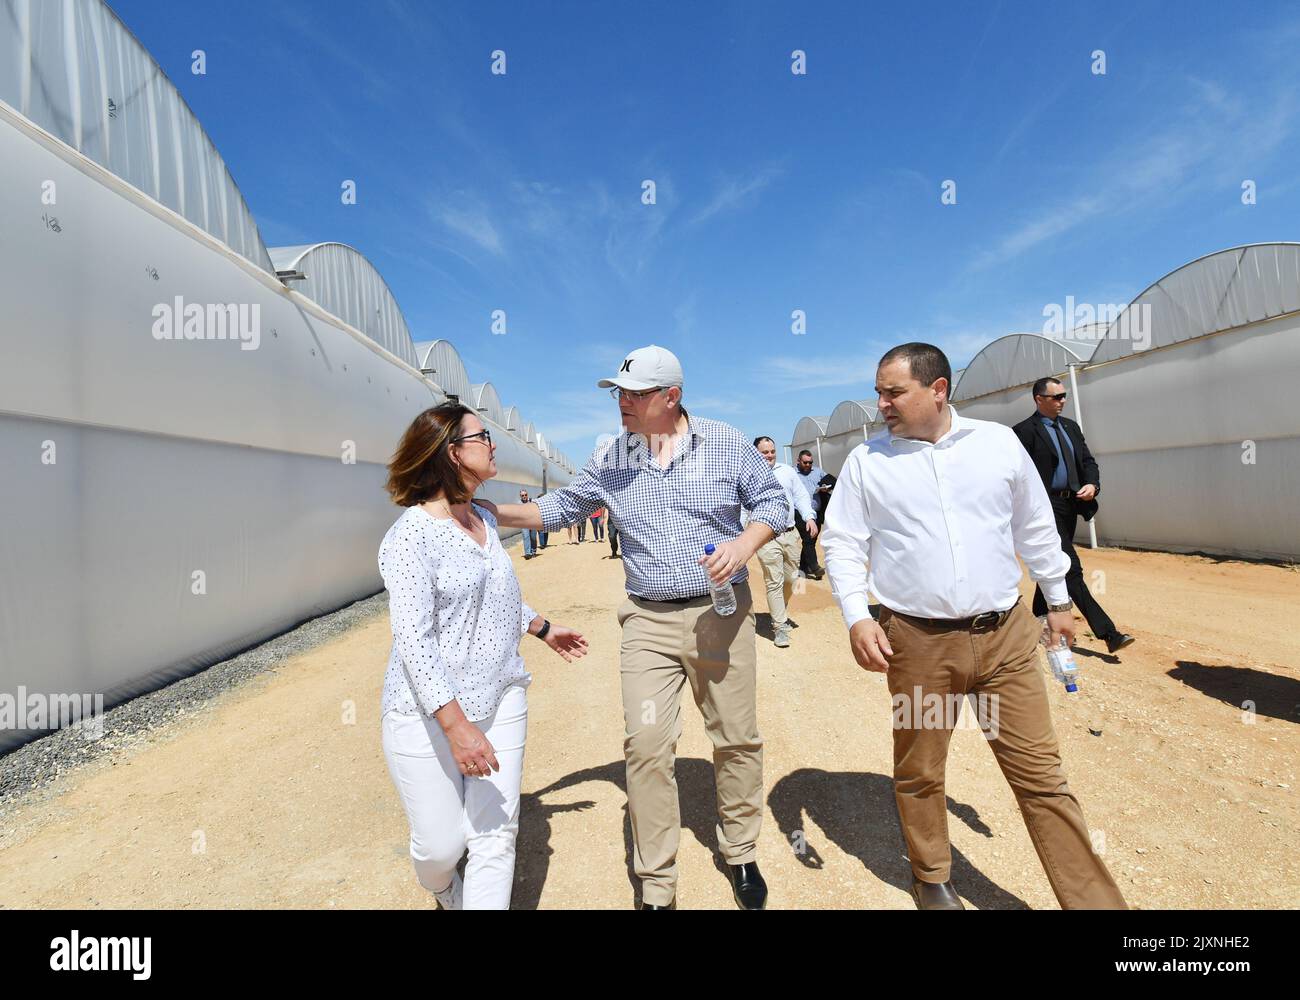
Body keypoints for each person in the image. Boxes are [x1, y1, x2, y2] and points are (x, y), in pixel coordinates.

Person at [481, 344, 787, 910]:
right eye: (618, 392)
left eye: (634, 394)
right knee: (646, 746)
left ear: (671, 397)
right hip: (647, 620)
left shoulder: (725, 442)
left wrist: (745, 544)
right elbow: (563, 509)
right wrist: (478, 509)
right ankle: (657, 884)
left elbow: (773, 503)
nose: (621, 402)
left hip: (719, 616)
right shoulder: (612, 455)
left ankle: (741, 851)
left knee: (736, 737)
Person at [821, 343, 1126, 911]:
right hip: (919, 644)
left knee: (1041, 778)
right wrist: (857, 616)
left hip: (1006, 638)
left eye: (894, 392)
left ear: (937, 390)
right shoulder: (869, 462)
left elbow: (1035, 526)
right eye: (878, 393)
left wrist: (1057, 601)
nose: (881, 404)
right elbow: (841, 543)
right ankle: (932, 876)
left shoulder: (997, 445)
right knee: (922, 770)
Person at [378, 402, 589, 910]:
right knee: (440, 846)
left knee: (495, 834)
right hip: (426, 714)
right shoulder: (409, 537)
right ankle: (442, 886)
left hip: (501, 694)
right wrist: (455, 727)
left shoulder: (483, 521)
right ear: (452, 453)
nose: (493, 445)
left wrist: (541, 628)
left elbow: (496, 597)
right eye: (482, 437)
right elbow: (416, 641)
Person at [1013, 379, 1135, 655]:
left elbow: (1088, 461)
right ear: (1038, 399)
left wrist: (1092, 484)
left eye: (1064, 396)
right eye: (1056, 397)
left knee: (1054, 563)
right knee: (1069, 567)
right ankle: (1108, 633)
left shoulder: (1070, 427)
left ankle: (1035, 625)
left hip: (1072, 505)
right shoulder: (1023, 432)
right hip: (1046, 507)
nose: (1062, 401)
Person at [751, 437, 817, 648]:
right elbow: (742, 507)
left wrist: (809, 517)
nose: (770, 455)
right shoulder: (749, 475)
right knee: (774, 581)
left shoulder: (786, 472)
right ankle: (779, 626)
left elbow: (800, 496)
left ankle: (779, 610)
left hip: (789, 534)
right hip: (765, 537)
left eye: (772, 451)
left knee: (792, 579)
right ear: (755, 453)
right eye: (765, 452)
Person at [793, 449, 828, 579]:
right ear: (798, 461)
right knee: (808, 537)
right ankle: (814, 567)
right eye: (805, 462)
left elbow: (828, 481)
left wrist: (825, 487)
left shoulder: (818, 472)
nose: (808, 465)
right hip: (800, 512)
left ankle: (803, 567)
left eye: (810, 463)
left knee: (811, 540)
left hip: (816, 512)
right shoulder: (792, 473)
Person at [518, 489, 537, 558]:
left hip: (533, 522)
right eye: (522, 495)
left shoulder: (532, 501)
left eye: (525, 495)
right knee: (526, 537)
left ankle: (533, 551)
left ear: (527, 495)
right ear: (520, 496)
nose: (524, 496)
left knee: (533, 537)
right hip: (524, 523)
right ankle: (528, 553)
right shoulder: (518, 503)